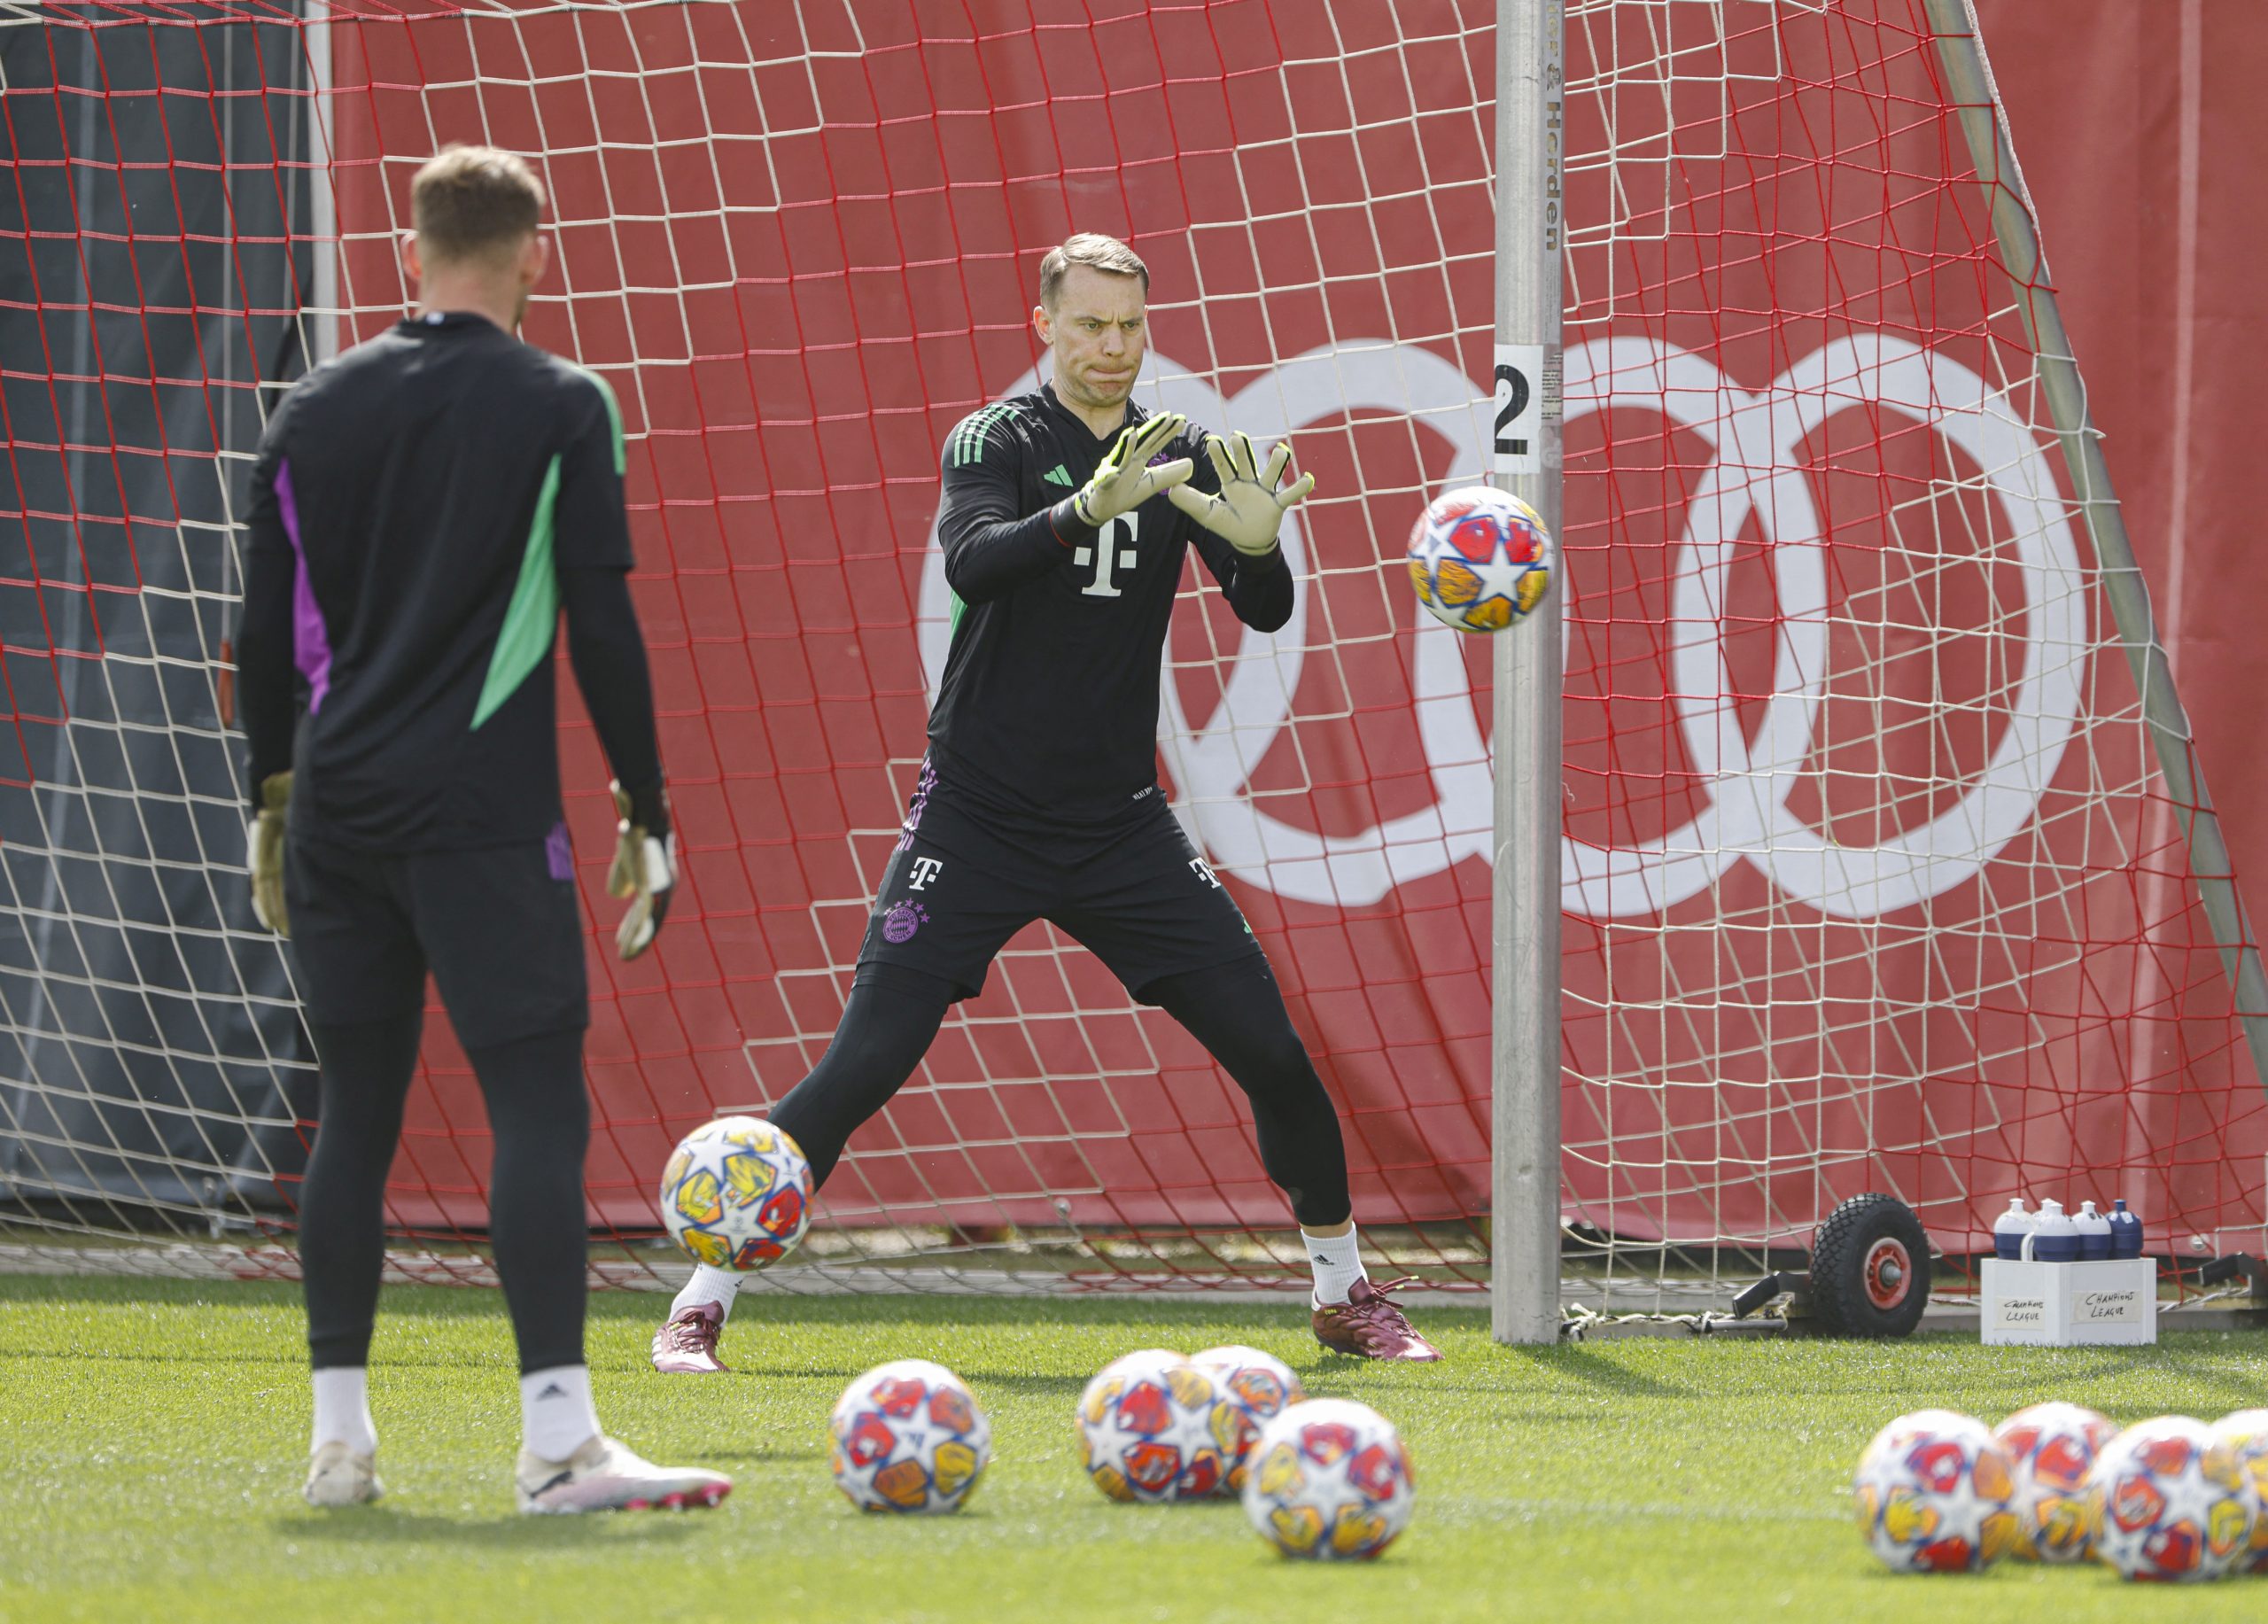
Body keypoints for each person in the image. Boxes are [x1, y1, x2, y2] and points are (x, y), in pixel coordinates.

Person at [652, 232, 1441, 1374]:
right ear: (1046, 326)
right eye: (1089, 326)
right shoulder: (997, 439)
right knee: (864, 1061)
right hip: (977, 817)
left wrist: (1261, 547)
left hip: (1121, 825)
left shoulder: (1183, 451)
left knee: (1274, 1051)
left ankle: (1341, 1291)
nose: (1112, 348)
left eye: (1129, 326)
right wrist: (1084, 509)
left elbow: (1262, 609)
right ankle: (702, 1299)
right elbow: (974, 562)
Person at [236, 144, 726, 1512]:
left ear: (408, 253)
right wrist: (648, 803)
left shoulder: (311, 406)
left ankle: (339, 1445)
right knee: (534, 1105)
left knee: (356, 1113)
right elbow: (604, 622)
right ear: (537, 253)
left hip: (335, 815)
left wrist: (268, 802)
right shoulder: (563, 400)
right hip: (486, 820)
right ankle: (558, 1441)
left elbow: (261, 636)